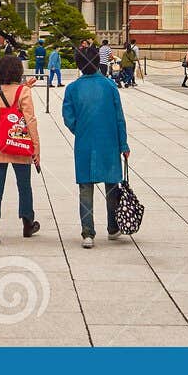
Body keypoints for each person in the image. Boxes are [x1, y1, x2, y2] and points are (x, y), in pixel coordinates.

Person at [61, 47, 129, 249]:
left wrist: (80, 129)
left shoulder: (72, 89)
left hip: (84, 142)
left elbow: (68, 117)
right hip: (109, 141)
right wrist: (123, 144)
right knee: (111, 186)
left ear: (79, 65)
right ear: (98, 62)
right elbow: (119, 118)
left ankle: (87, 232)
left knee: (85, 187)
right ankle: (113, 227)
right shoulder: (109, 86)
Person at [0, 54, 41, 244]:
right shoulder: (24, 92)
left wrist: (25, 89)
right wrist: (36, 147)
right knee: (24, 186)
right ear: (18, 71)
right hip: (18, 142)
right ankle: (27, 222)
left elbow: (8, 100)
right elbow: (29, 119)